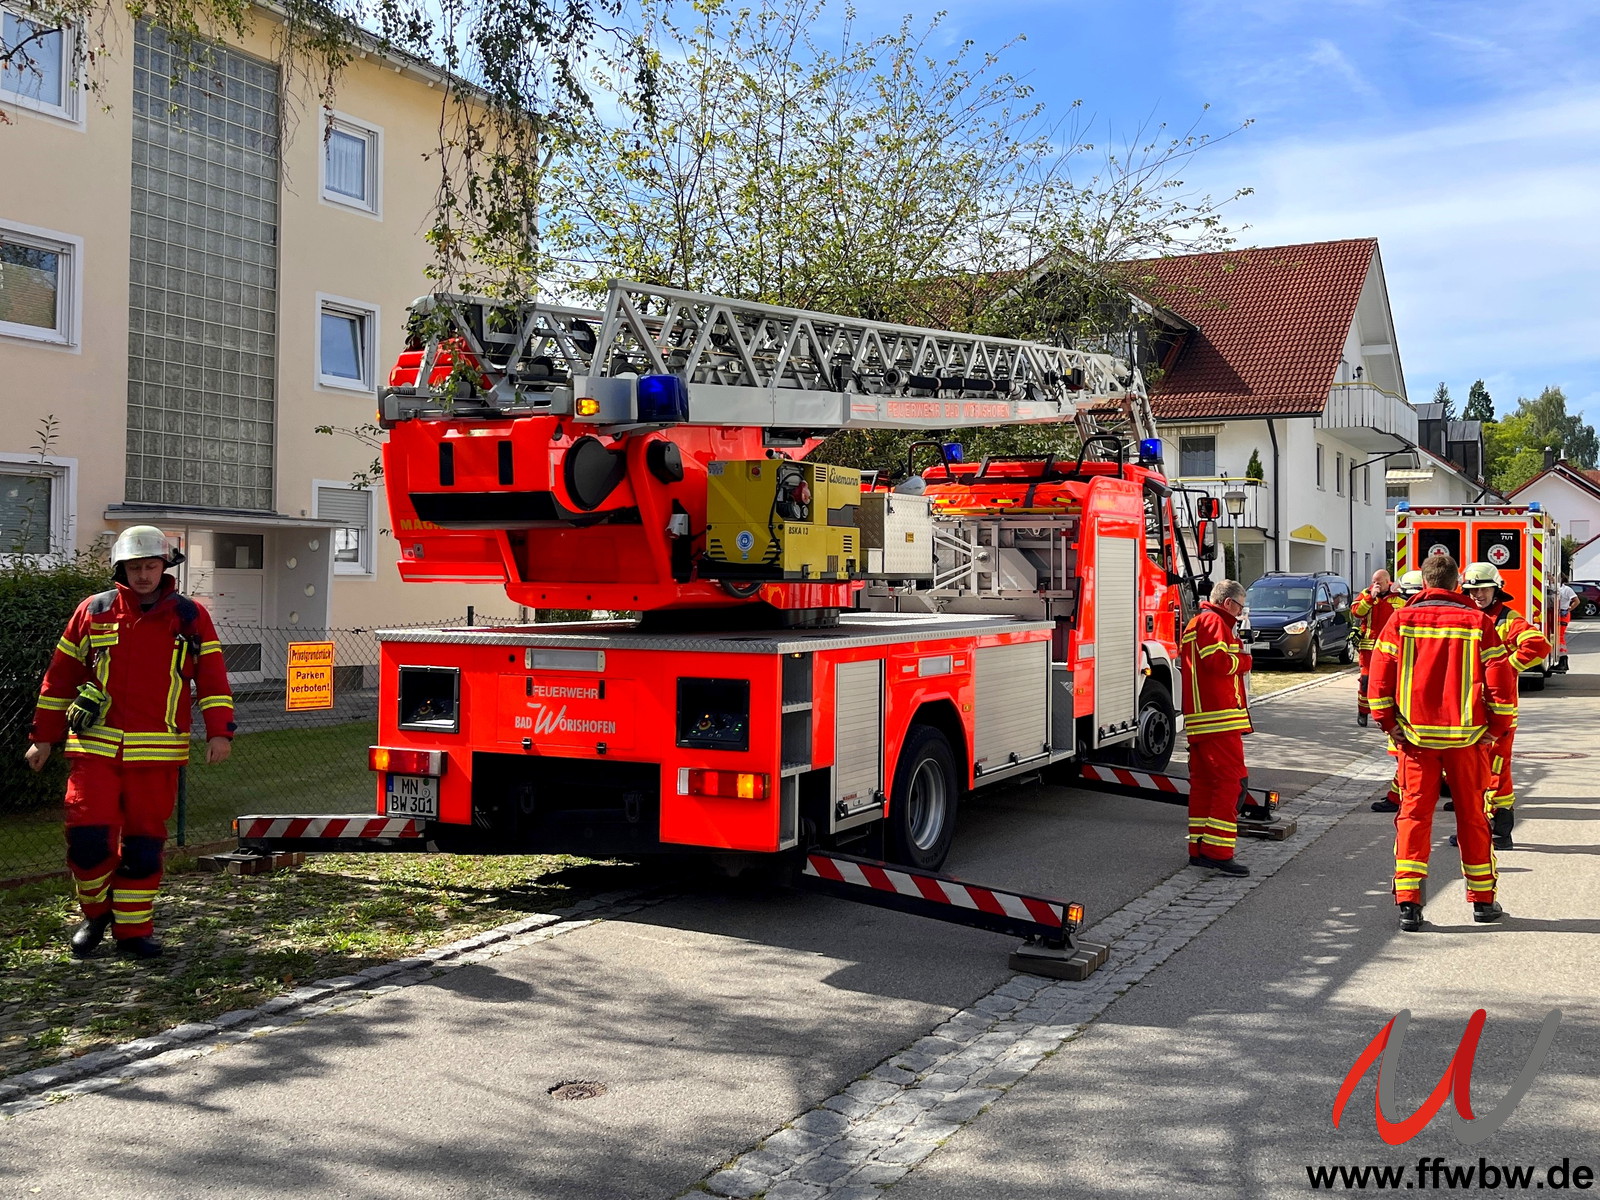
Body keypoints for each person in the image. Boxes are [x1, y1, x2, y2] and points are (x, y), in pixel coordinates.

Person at [25, 526, 235, 960]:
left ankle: (133, 932)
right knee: (87, 841)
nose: (143, 575)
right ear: (122, 567)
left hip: (157, 754)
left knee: (142, 846)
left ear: (165, 566)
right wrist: (42, 738)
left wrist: (219, 731)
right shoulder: (93, 610)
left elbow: (212, 678)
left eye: (151, 566)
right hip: (94, 749)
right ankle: (96, 914)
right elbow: (59, 677)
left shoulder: (190, 616)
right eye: (135, 567)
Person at [1367, 554, 1517, 932]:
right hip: (1468, 740)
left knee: (1414, 818)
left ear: (1426, 583)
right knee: (1473, 818)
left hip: (1416, 740)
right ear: (1456, 585)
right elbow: (1500, 683)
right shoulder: (1479, 622)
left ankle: (1409, 904)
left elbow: (1379, 678)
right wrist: (1495, 728)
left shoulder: (1400, 620)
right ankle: (1483, 902)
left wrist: (1388, 723)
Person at [1456, 561, 1551, 850]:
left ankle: (1499, 831)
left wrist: (1506, 667)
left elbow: (1539, 645)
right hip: (1471, 707)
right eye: (1472, 590)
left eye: (1483, 589)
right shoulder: (1468, 616)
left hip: (1499, 708)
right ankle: (1483, 829)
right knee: (1476, 769)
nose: (1477, 595)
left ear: (1496, 589)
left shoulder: (1508, 619)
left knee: (1497, 769)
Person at [1179, 578, 1258, 877]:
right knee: (1231, 783)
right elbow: (1218, 662)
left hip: (1202, 720)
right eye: (1239, 606)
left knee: (1204, 785)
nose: (1240, 613)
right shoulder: (1214, 622)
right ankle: (1218, 851)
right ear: (1228, 603)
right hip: (1219, 719)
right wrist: (1245, 658)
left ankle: (1199, 848)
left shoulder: (1197, 622)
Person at [1369, 570, 1427, 814]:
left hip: (1407, 704)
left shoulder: (1404, 621)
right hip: (1426, 705)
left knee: (1406, 755)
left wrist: (1384, 716)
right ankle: (1398, 795)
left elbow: (1383, 671)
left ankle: (1399, 798)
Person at [1350, 569, 1406, 728]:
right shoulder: (1366, 594)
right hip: (1368, 648)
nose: (1375, 585)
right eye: (1374, 581)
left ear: (1387, 581)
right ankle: (1363, 711)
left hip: (1391, 649)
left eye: (1379, 582)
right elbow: (1356, 612)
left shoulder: (1398, 597)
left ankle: (1390, 714)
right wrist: (1369, 598)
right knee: (1366, 682)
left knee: (1389, 682)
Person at [1555, 577, 1578, 672]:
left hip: (1563, 614)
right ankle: (1561, 660)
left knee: (1560, 636)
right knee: (1557, 637)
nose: (1551, 577)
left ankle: (1563, 661)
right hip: (1556, 614)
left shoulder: (1567, 589)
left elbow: (1576, 601)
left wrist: (1568, 609)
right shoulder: (1554, 588)